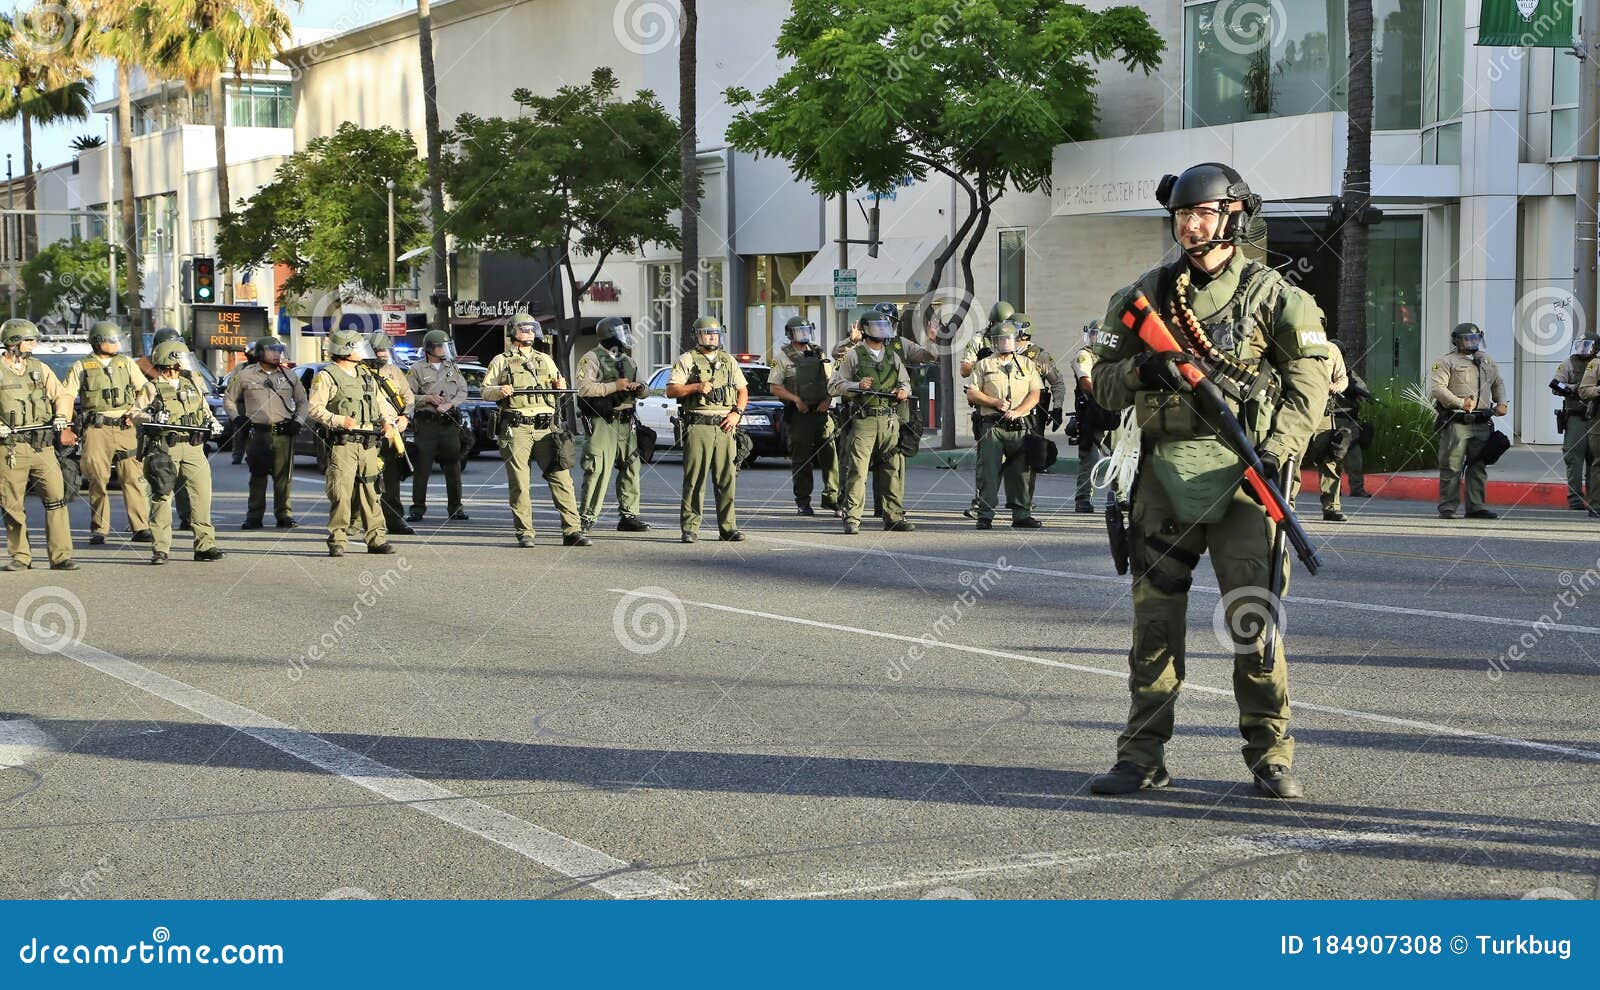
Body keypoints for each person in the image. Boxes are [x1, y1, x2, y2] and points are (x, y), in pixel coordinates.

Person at [1085, 162, 1331, 800]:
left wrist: (1277, 451)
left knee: (1253, 621)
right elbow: (1104, 383)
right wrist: (1145, 368)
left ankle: (1270, 756)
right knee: (1155, 621)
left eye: (1203, 214)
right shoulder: (1146, 293)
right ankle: (1141, 755)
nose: (1191, 226)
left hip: (1247, 473)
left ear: (1234, 217)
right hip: (1165, 475)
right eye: (1182, 216)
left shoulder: (1277, 296)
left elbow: (1307, 388)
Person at [480, 312, 589, 548]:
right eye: (524, 329)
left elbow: (558, 389)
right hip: (517, 427)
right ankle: (525, 532)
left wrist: (561, 387)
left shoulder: (545, 359)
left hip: (546, 427)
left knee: (562, 479)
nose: (529, 333)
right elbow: (485, 390)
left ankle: (572, 531)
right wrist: (500, 390)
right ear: (513, 333)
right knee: (520, 483)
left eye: (531, 329)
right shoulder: (502, 360)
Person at [131, 340, 225, 564]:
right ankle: (161, 547)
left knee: (201, 496)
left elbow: (203, 410)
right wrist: (151, 417)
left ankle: (205, 546)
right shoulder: (152, 387)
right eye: (180, 360)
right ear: (168, 361)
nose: (184, 364)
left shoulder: (191, 383)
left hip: (193, 447)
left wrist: (213, 423)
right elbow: (134, 412)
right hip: (165, 448)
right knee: (162, 496)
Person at [307, 330, 397, 557]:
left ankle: (376, 539)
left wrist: (388, 422)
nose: (361, 351)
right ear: (344, 349)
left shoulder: (366, 375)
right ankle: (337, 538)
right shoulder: (327, 376)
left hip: (369, 442)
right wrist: (338, 420)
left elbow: (381, 402)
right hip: (343, 442)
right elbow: (314, 408)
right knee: (341, 492)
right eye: (357, 347)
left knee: (372, 491)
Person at [60, 320, 151, 544]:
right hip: (96, 429)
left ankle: (140, 527)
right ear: (99, 342)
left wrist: (135, 412)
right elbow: (67, 396)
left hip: (124, 427)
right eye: (112, 340)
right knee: (97, 479)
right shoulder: (81, 366)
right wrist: (66, 425)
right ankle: (99, 529)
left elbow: (147, 389)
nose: (117, 343)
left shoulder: (126, 363)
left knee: (133, 477)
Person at [0, 318, 77, 571]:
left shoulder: (39, 368)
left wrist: (62, 419)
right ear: (14, 341)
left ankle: (61, 556)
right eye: (29, 340)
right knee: (12, 503)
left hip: (42, 446)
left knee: (56, 497)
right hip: (10, 448)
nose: (34, 344)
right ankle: (21, 556)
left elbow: (62, 394)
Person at [829, 310, 914, 535]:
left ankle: (893, 517)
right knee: (858, 470)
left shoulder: (892, 356)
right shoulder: (854, 356)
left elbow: (906, 382)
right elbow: (834, 386)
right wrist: (857, 385)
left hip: (889, 420)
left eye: (883, 327)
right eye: (876, 327)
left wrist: (903, 391)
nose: (881, 332)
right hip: (863, 418)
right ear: (866, 330)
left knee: (891, 469)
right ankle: (852, 518)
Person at [666, 316, 748, 543]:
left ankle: (728, 528)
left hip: (725, 426)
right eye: (707, 333)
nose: (712, 338)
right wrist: (696, 387)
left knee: (727, 478)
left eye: (715, 334)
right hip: (698, 425)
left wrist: (736, 414)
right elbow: (671, 390)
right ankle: (690, 528)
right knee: (695, 479)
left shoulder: (729, 360)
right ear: (697, 336)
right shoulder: (687, 359)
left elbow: (742, 391)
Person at [966, 318, 1042, 529]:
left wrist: (1018, 411)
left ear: (1016, 340)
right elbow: (972, 392)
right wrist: (995, 402)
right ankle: (985, 514)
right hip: (992, 425)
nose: (1006, 344)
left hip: (1019, 425)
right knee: (988, 470)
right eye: (1001, 340)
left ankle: (1021, 514)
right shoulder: (984, 365)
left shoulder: (1028, 364)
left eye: (1009, 339)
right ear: (994, 342)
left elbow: (1035, 393)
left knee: (1021, 471)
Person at [224, 335, 307, 529]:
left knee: (283, 477)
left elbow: (303, 401)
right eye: (272, 350)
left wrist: (298, 421)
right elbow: (229, 399)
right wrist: (236, 418)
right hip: (257, 433)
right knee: (257, 475)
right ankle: (254, 515)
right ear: (261, 353)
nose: (277, 354)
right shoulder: (246, 375)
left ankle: (284, 515)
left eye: (279, 350)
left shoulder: (289, 375)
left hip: (284, 432)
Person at [576, 317, 649, 533]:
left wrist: (639, 388)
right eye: (619, 332)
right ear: (608, 334)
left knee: (631, 467)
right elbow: (585, 389)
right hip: (603, 421)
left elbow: (645, 389)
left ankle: (629, 515)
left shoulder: (629, 361)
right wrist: (613, 386)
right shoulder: (591, 359)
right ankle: (587, 517)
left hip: (627, 421)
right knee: (598, 468)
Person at [1431, 322, 1506, 520]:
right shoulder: (1446, 361)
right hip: (1457, 421)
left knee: (1478, 465)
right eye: (1467, 339)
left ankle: (1476, 506)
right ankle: (1448, 507)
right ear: (1456, 340)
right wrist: (1459, 402)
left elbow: (1498, 382)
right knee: (1452, 465)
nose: (1472, 342)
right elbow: (1438, 388)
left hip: (1482, 421)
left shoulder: (1486, 360)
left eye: (1475, 338)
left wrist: (1501, 402)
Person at [768, 315, 839, 516]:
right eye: (800, 332)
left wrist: (828, 398)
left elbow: (830, 380)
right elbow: (775, 387)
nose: (804, 336)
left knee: (831, 457)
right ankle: (803, 501)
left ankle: (832, 498)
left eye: (807, 331)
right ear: (790, 335)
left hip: (822, 412)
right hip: (799, 414)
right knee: (802, 459)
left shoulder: (818, 352)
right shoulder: (782, 356)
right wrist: (796, 400)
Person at [405, 329, 471, 524]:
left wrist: (449, 404)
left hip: (449, 424)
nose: (444, 349)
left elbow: (462, 390)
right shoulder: (416, 369)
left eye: (445, 346)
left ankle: (456, 508)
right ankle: (417, 509)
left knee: (453, 468)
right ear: (429, 349)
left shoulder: (452, 367)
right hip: (426, 425)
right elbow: (407, 396)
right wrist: (427, 398)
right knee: (422, 469)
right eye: (440, 346)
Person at [138, 328, 193, 530]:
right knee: (151, 476)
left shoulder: (186, 369)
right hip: (152, 426)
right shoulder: (142, 365)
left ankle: (187, 516)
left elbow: (200, 394)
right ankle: (144, 520)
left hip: (183, 428)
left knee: (184, 478)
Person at [1304, 339, 1354, 522]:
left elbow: (1343, 378)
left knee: (1329, 459)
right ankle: (1286, 505)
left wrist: (1335, 387)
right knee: (1291, 459)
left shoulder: (1331, 349)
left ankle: (1332, 507)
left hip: (1324, 413)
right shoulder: (1292, 342)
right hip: (1297, 411)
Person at [1552, 337, 1597, 510]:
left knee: (1595, 458)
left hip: (1596, 417)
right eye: (1580, 345)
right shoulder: (1568, 363)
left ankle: (1595, 498)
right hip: (1576, 416)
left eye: (1588, 346)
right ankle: (1575, 497)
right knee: (1573, 457)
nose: (1583, 349)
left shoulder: (1598, 364)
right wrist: (1575, 388)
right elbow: (1555, 385)